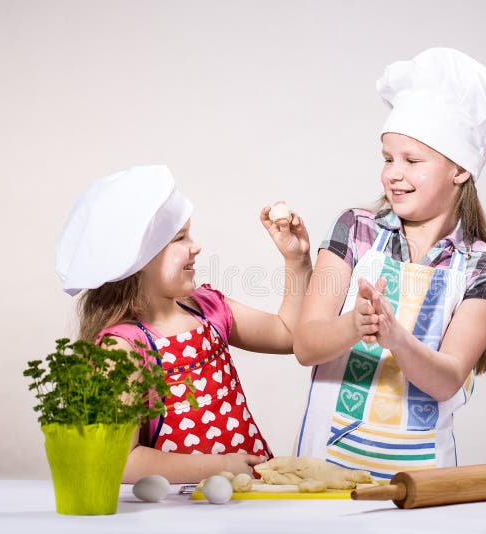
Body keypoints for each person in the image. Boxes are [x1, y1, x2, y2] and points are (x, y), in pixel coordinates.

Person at [293, 48, 486, 480]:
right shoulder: (354, 230)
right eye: (387, 158)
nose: (393, 173)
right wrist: (356, 325)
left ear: (461, 170)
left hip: (420, 481)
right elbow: (307, 345)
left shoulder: (482, 268)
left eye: (412, 161)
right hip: (326, 471)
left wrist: (395, 337)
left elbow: (447, 379)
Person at [55, 165, 312, 483]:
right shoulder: (121, 349)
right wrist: (220, 467)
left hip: (250, 498)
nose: (195, 246)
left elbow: (289, 335)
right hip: (183, 513)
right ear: (139, 260)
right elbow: (118, 460)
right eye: (179, 238)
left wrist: (296, 260)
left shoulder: (208, 308)